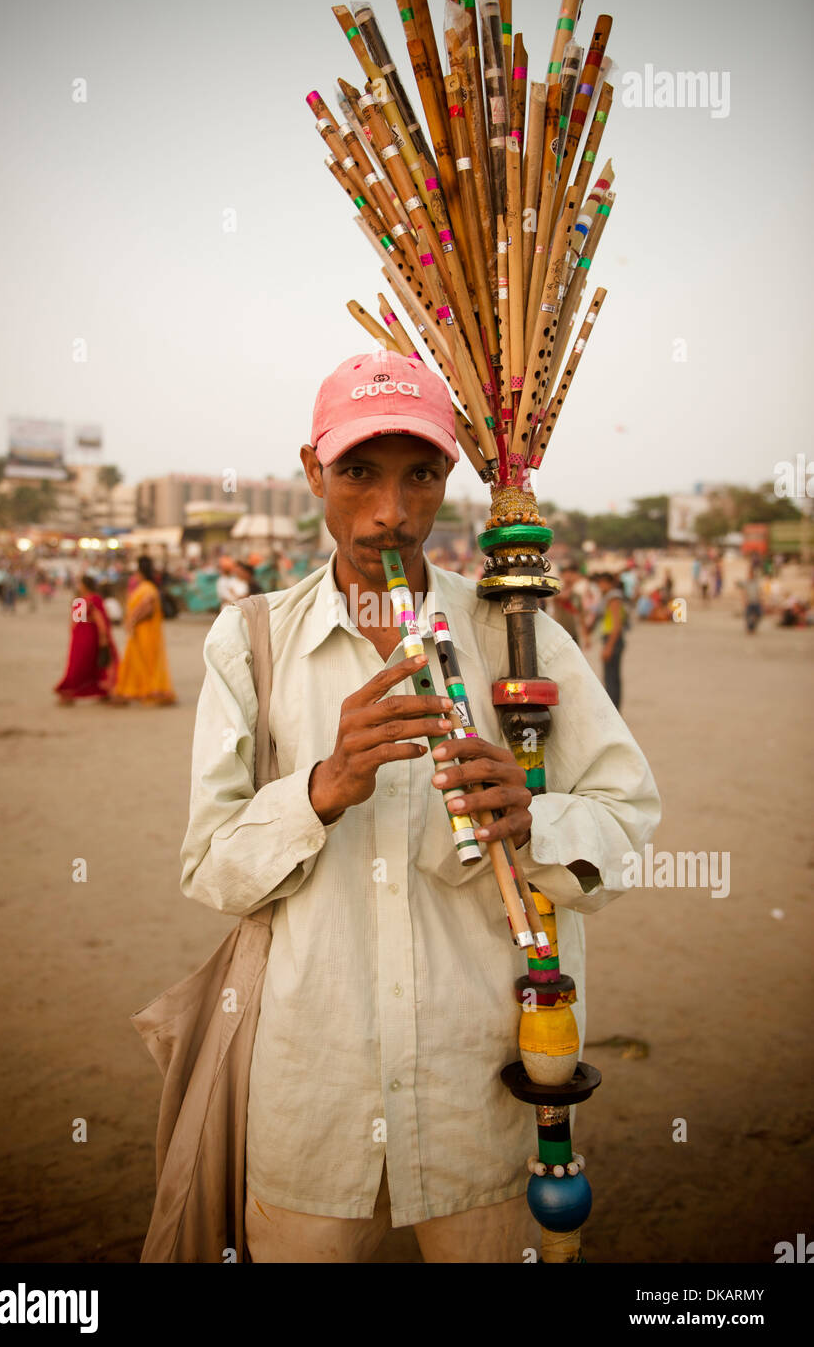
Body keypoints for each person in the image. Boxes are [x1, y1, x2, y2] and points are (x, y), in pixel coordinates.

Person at [178, 349, 660, 1263]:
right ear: (313, 470)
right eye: (358, 472)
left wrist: (534, 814)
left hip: (478, 1087)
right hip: (312, 1093)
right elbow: (209, 869)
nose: (390, 512)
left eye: (420, 475)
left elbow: (626, 820)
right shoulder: (250, 642)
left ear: (448, 482)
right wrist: (319, 793)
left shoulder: (512, 633)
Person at [112, 557, 176, 705]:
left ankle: (146, 690)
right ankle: (140, 690)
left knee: (144, 660)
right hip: (144, 631)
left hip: (145, 631)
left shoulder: (147, 588)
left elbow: (147, 608)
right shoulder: (149, 587)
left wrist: (133, 620)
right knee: (140, 660)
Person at [53, 574, 119, 704]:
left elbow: (79, 623)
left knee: (80, 665)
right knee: (93, 664)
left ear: (84, 585)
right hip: (87, 637)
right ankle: (102, 691)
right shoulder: (92, 599)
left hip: (85, 638)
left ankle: (70, 693)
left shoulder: (86, 600)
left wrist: (102, 638)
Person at [590, 572, 627, 710]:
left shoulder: (613, 598)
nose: (600, 586)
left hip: (613, 638)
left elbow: (617, 624)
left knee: (611, 677)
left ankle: (614, 709)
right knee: (612, 676)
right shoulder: (610, 597)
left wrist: (609, 646)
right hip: (612, 638)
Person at [740, 566, 763, 634]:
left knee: (758, 615)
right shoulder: (747, 583)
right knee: (748, 616)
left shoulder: (756, 583)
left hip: (756, 601)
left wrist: (761, 600)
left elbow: (759, 592)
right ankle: (750, 628)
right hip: (749, 601)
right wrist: (744, 600)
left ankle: (753, 627)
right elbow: (744, 592)